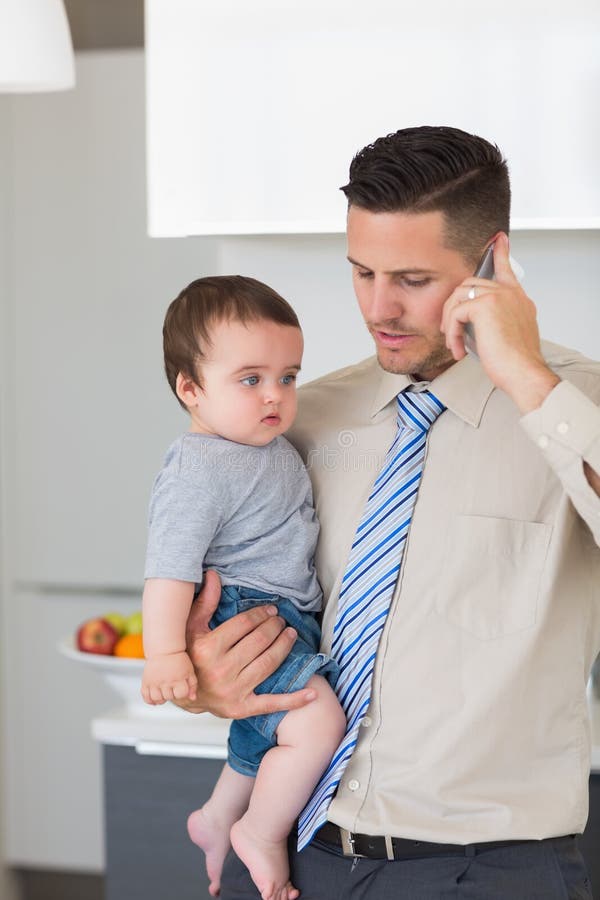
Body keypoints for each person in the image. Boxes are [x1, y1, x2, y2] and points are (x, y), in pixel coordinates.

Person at [176, 126, 600, 899]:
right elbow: (221, 590)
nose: (380, 307)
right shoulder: (297, 418)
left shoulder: (574, 408)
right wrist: (209, 677)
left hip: (484, 869)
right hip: (287, 850)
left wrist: (523, 372)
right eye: (362, 272)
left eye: (412, 278)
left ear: (492, 263)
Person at [141, 274, 344, 900]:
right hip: (244, 610)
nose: (275, 395)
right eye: (250, 379)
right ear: (190, 388)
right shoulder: (198, 467)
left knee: (261, 736)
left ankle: (217, 817)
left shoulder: (265, 444)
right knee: (316, 724)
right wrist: (165, 654)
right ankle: (260, 830)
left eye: (288, 376)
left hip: (284, 612)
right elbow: (169, 569)